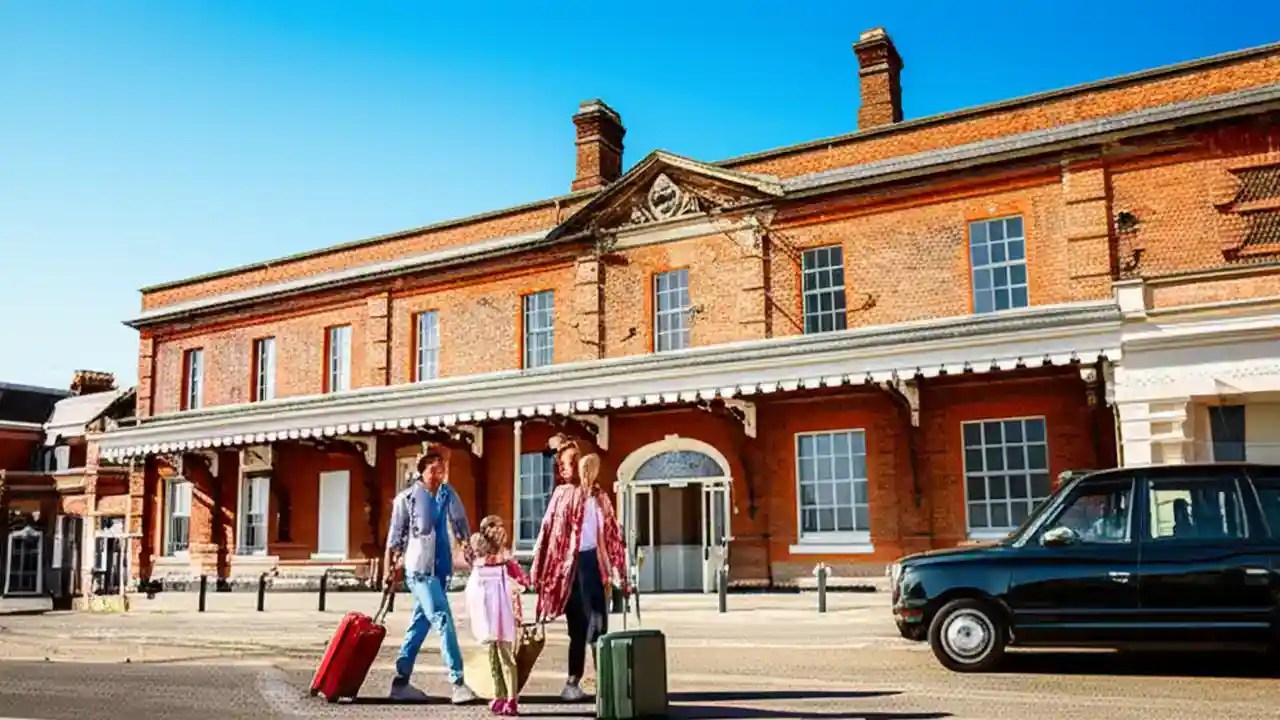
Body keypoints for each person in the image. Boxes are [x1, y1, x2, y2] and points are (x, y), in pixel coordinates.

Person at [530, 443, 629, 702]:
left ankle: (604, 682)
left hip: (593, 564)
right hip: (570, 568)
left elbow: (611, 534)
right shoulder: (563, 495)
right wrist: (538, 571)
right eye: (567, 463)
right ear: (561, 471)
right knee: (578, 627)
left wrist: (620, 571)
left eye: (576, 460)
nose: (571, 466)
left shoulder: (599, 496)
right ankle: (572, 681)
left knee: (600, 624)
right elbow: (547, 533)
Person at [384, 448, 478, 704]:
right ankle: (458, 682)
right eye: (433, 469)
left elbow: (460, 525)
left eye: (442, 469)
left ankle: (400, 682)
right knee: (442, 617)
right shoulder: (407, 499)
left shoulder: (447, 495)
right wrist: (388, 572)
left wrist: (470, 553)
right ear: (422, 471)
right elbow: (395, 540)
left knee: (419, 624)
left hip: (440, 570)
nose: (439, 474)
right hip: (419, 570)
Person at [465, 515, 532, 716]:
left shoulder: (500, 561)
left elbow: (520, 580)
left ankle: (511, 698)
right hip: (492, 610)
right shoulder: (491, 560)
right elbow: (521, 579)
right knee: (496, 654)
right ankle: (501, 695)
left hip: (499, 611)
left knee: (503, 654)